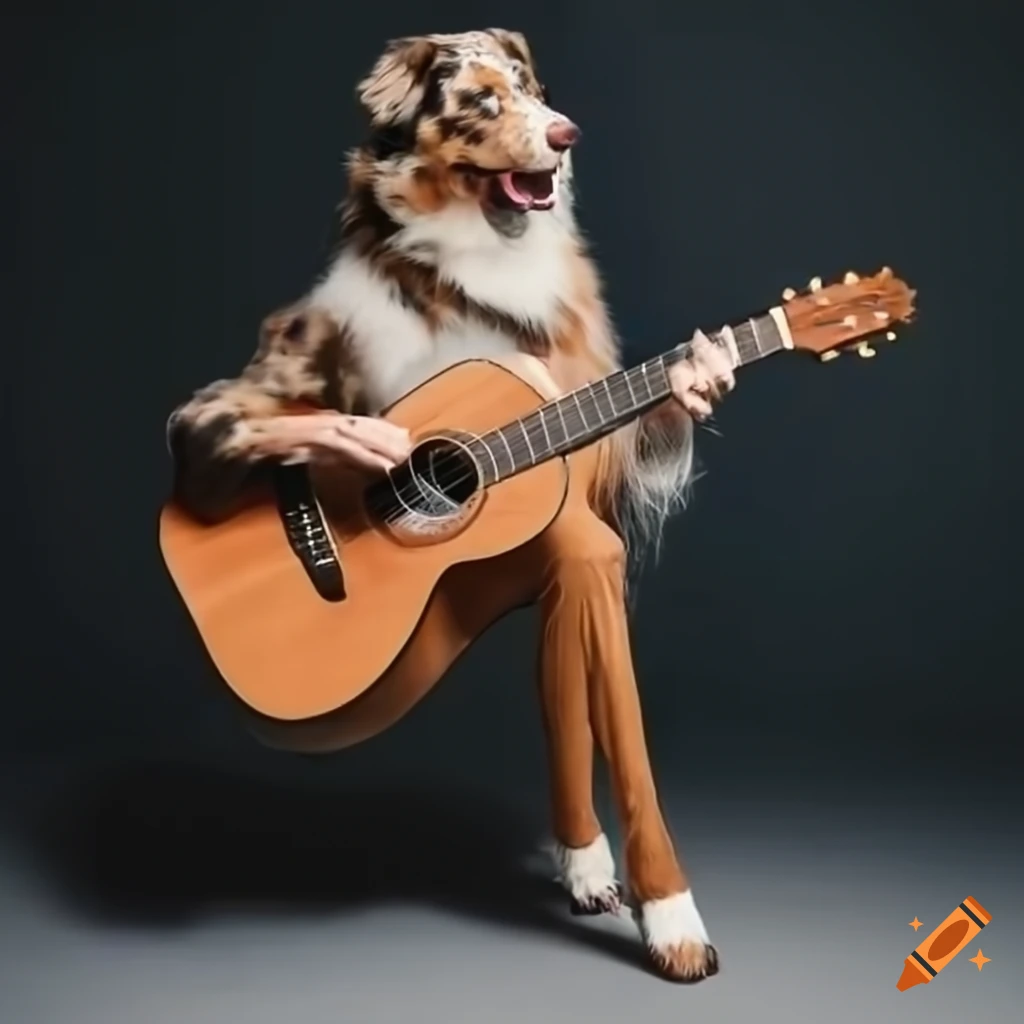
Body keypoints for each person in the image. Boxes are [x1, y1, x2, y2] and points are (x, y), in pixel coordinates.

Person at [166, 29, 735, 982]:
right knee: (581, 547)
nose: (547, 128)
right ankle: (593, 837)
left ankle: (631, 846)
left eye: (532, 96)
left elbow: (588, 464)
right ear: (414, 137)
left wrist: (671, 409)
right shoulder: (350, 310)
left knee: (587, 545)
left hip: (503, 533)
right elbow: (200, 428)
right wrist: (310, 434)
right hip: (367, 576)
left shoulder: (559, 307)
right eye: (489, 104)